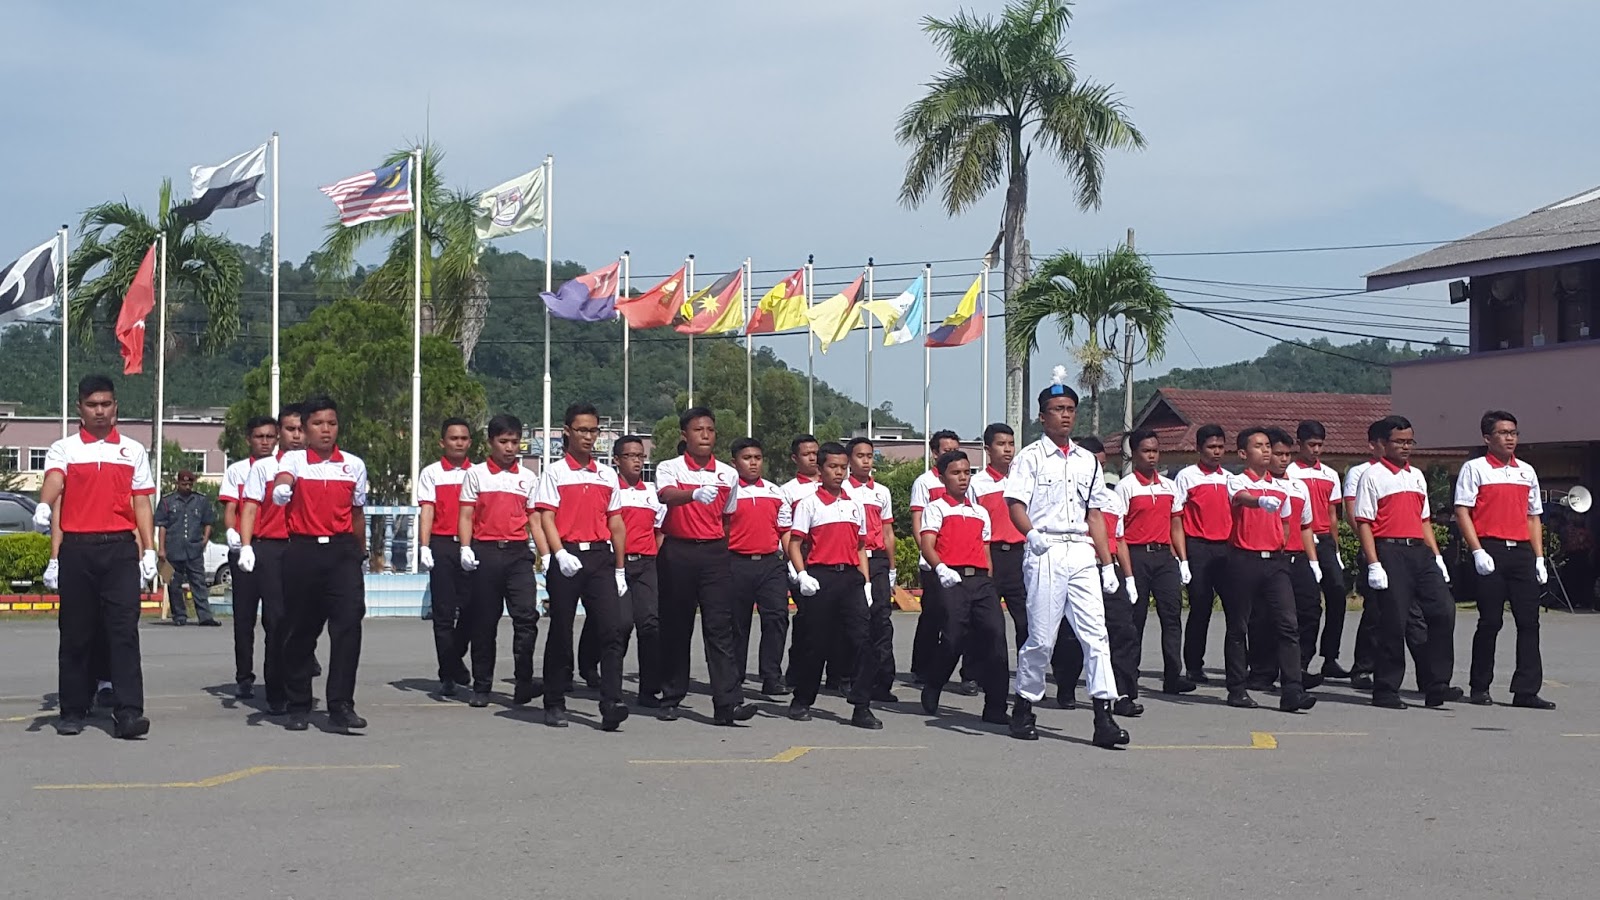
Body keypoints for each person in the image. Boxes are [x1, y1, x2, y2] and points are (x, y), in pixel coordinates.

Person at [1003, 369, 1129, 749]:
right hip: (1046, 548)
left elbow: (1096, 515)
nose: (1065, 415)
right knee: (1043, 638)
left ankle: (1104, 716)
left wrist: (1107, 563)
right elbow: (1015, 504)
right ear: (1043, 416)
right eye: (1058, 409)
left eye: (1071, 409)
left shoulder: (1087, 461)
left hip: (1081, 550)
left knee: (1096, 635)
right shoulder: (1029, 458)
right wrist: (1031, 534)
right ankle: (1024, 706)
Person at [36, 374, 157, 739]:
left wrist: (149, 549)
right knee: (76, 632)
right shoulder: (65, 448)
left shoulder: (133, 450)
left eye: (105, 404)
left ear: (115, 406)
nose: (100, 411)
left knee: (123, 632)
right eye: (92, 405)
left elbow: (142, 502)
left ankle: (129, 712)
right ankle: (73, 709)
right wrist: (44, 504)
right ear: (80, 408)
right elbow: (55, 479)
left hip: (119, 550)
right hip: (78, 549)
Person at [265, 396, 369, 732]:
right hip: (303, 551)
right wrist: (282, 490)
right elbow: (284, 478)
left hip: (342, 552)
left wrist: (361, 552)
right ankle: (298, 704)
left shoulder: (353, 465)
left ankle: (341, 705)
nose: (326, 430)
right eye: (318, 424)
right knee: (300, 629)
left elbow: (357, 513)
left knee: (348, 626)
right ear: (306, 428)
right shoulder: (295, 460)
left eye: (332, 423)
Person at [654, 407, 757, 725]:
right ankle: (671, 696)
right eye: (698, 430)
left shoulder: (727, 474)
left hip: (713, 554)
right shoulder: (669, 467)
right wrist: (693, 494)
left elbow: (727, 518)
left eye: (710, 430)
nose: (705, 435)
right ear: (684, 435)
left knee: (720, 628)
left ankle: (728, 703)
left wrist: (718, 548)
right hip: (678, 551)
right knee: (676, 626)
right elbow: (666, 495)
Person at [1352, 415, 1461, 710]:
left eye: (1409, 441)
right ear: (1383, 444)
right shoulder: (1372, 476)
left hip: (1419, 551)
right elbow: (1364, 522)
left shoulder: (1416, 476)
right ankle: (1386, 688)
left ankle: (1437, 682)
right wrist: (1373, 563)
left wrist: (1437, 557)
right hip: (1390, 550)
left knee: (1444, 610)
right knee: (1394, 621)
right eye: (1399, 441)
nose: (1405, 446)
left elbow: (1424, 520)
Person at [535, 403, 631, 731]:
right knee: (561, 629)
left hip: (600, 557)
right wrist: (558, 553)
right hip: (568, 555)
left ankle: (611, 702)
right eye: (582, 430)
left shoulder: (607, 475)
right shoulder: (555, 473)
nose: (588, 437)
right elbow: (546, 518)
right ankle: (554, 701)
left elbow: (616, 523)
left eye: (593, 431)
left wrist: (619, 568)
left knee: (612, 629)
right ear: (567, 431)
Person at [1456, 410, 1554, 709]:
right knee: (1490, 621)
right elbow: (1462, 511)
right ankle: (1480, 686)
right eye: (1503, 433)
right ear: (1488, 438)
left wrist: (1539, 557)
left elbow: (1533, 516)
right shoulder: (1475, 469)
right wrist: (1477, 550)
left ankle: (1526, 690)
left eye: (1513, 433)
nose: (1510, 438)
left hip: (1522, 551)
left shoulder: (1526, 471)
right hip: (1491, 548)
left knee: (1529, 622)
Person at [786, 441, 881, 729]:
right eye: (833, 467)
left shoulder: (855, 505)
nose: (839, 473)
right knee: (816, 643)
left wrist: (866, 583)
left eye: (843, 467)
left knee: (863, 641)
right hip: (821, 578)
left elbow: (860, 547)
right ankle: (802, 699)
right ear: (821, 469)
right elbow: (795, 544)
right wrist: (802, 574)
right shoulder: (809, 504)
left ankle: (861, 705)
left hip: (850, 578)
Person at [1222, 427, 1317, 713]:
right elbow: (1241, 498)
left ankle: (1292, 690)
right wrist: (1259, 501)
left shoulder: (1282, 486)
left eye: (1267, 446)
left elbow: (1287, 523)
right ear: (1243, 453)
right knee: (1239, 626)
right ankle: (1237, 688)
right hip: (1244, 559)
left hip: (1275, 562)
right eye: (1258, 446)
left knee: (1288, 624)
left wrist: (1280, 546)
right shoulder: (1236, 481)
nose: (1265, 451)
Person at [917, 450, 1009, 726]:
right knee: (954, 638)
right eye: (956, 473)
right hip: (951, 578)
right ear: (943, 477)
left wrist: (989, 580)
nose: (963, 478)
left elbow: (985, 550)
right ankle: (934, 682)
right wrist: (940, 568)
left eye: (967, 472)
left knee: (996, 636)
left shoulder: (980, 512)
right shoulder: (936, 508)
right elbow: (927, 545)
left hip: (980, 582)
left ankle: (996, 706)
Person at [457, 414, 544, 708]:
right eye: (503, 441)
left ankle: (523, 682)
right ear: (490, 442)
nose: (509, 448)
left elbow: (534, 519)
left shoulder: (528, 478)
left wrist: (546, 553)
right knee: (484, 622)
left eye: (514, 442)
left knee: (526, 618)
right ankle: (482, 685)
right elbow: (466, 515)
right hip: (486, 552)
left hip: (518, 555)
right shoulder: (476, 475)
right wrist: (465, 548)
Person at [1056, 437, 1143, 716]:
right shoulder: (1066, 497)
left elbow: (1120, 539)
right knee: (1072, 634)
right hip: (1077, 567)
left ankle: (1123, 694)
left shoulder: (1113, 498)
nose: (1099, 470)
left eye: (1103, 465)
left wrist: (1128, 577)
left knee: (1123, 631)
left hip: (1109, 568)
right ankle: (1066, 685)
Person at [579, 435, 665, 703]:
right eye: (630, 456)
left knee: (649, 624)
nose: (637, 461)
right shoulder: (608, 489)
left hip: (646, 564)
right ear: (617, 460)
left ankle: (649, 690)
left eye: (640, 456)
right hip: (615, 563)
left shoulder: (652, 492)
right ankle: (592, 666)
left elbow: (659, 530)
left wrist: (654, 559)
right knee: (620, 623)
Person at [971, 423, 1055, 691]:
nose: (1007, 450)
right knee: (987, 623)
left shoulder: (1024, 479)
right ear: (988, 449)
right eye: (1001, 444)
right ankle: (977, 674)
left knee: (1027, 621)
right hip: (992, 555)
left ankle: (1027, 677)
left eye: (1010, 444)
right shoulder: (977, 484)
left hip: (1022, 555)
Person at [237, 405, 308, 713]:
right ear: (280, 432)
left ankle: (300, 685)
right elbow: (250, 508)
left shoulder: (317, 467)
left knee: (303, 622)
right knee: (277, 621)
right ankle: (277, 691)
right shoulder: (265, 468)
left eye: (301, 429)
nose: (297, 436)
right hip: (272, 549)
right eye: (291, 429)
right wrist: (246, 545)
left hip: (305, 549)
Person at [1247, 428, 1326, 694]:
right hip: (1271, 557)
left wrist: (1313, 562)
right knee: (1265, 617)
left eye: (1287, 454)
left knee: (1310, 610)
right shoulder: (1258, 486)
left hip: (1298, 556)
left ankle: (1297, 667)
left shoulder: (1298, 486)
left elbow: (1305, 526)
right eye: (1277, 453)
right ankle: (1262, 671)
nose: (1282, 459)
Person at [1115, 428, 1193, 695]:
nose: (1152, 456)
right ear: (1134, 454)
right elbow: (1119, 531)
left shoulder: (1169, 486)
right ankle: (1129, 676)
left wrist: (1183, 559)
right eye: (1146, 451)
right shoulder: (1126, 487)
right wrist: (1125, 572)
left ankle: (1173, 675)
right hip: (1136, 555)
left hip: (1164, 557)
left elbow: (1176, 524)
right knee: (1134, 618)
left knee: (1172, 616)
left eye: (1155, 451)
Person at [726, 437, 793, 698]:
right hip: (736, 563)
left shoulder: (776, 492)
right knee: (737, 623)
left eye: (757, 458)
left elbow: (785, 531)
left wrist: (793, 565)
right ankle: (734, 677)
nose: (753, 463)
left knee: (777, 617)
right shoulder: (728, 492)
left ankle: (771, 677)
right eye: (747, 458)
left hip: (770, 564)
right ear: (734, 462)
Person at [1286, 420, 1349, 679]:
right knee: (1309, 603)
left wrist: (1335, 548)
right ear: (1299, 444)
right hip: (1302, 540)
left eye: (1320, 445)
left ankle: (1330, 656)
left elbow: (1333, 514)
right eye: (1311, 444)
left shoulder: (1330, 474)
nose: (1316, 450)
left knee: (1338, 595)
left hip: (1324, 540)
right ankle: (1302, 659)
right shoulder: (1290, 472)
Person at [910, 429, 972, 693]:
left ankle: (963, 672)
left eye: (956, 450)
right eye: (947, 451)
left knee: (960, 619)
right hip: (935, 561)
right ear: (935, 453)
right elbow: (918, 522)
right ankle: (922, 668)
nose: (952, 454)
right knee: (933, 615)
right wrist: (928, 555)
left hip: (960, 560)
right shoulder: (925, 482)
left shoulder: (965, 481)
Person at [416, 418, 474, 697]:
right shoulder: (431, 473)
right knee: (444, 613)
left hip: (471, 546)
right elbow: (427, 510)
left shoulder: (477, 473)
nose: (459, 443)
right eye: (453, 438)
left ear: (470, 442)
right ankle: (447, 673)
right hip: (442, 545)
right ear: (443, 442)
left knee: (473, 609)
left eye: (463, 438)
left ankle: (454, 657)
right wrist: (424, 546)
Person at [223, 415, 277, 699]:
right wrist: (231, 532)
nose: (265, 442)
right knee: (244, 618)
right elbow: (231, 507)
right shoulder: (238, 470)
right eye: (259, 436)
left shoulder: (284, 469)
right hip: (245, 548)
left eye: (270, 436)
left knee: (276, 617)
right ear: (249, 439)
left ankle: (276, 675)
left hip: (273, 548)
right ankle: (244, 676)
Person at [1173, 423, 1232, 684]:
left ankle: (1237, 667)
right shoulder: (1187, 477)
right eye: (1211, 447)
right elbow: (1176, 517)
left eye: (1220, 447)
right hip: (1198, 546)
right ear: (1199, 448)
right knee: (1201, 606)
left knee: (1235, 609)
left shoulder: (1229, 479)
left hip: (1226, 548)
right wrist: (1182, 557)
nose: (1216, 452)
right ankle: (1194, 665)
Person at [843, 437, 898, 703]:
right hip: (851, 559)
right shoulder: (842, 489)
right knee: (855, 621)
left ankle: (883, 681)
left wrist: (892, 566)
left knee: (882, 621)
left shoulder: (882, 492)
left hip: (877, 560)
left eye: (869, 456)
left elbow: (888, 532)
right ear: (849, 460)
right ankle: (850, 678)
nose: (865, 461)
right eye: (860, 456)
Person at [779, 434, 821, 691]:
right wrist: (797, 567)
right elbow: (786, 531)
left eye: (816, 452)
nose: (813, 458)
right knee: (807, 620)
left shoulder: (836, 485)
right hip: (803, 562)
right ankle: (797, 673)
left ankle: (838, 676)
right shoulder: (788, 490)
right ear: (795, 458)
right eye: (806, 454)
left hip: (831, 561)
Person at [155, 469, 217, 626]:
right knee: (173, 583)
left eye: (190, 484)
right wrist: (161, 549)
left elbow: (208, 521)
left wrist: (205, 539)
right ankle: (179, 616)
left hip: (194, 549)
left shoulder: (200, 500)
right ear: (178, 483)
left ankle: (205, 617)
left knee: (199, 583)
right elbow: (162, 526)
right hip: (172, 549)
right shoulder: (167, 501)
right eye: (184, 484)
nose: (187, 487)